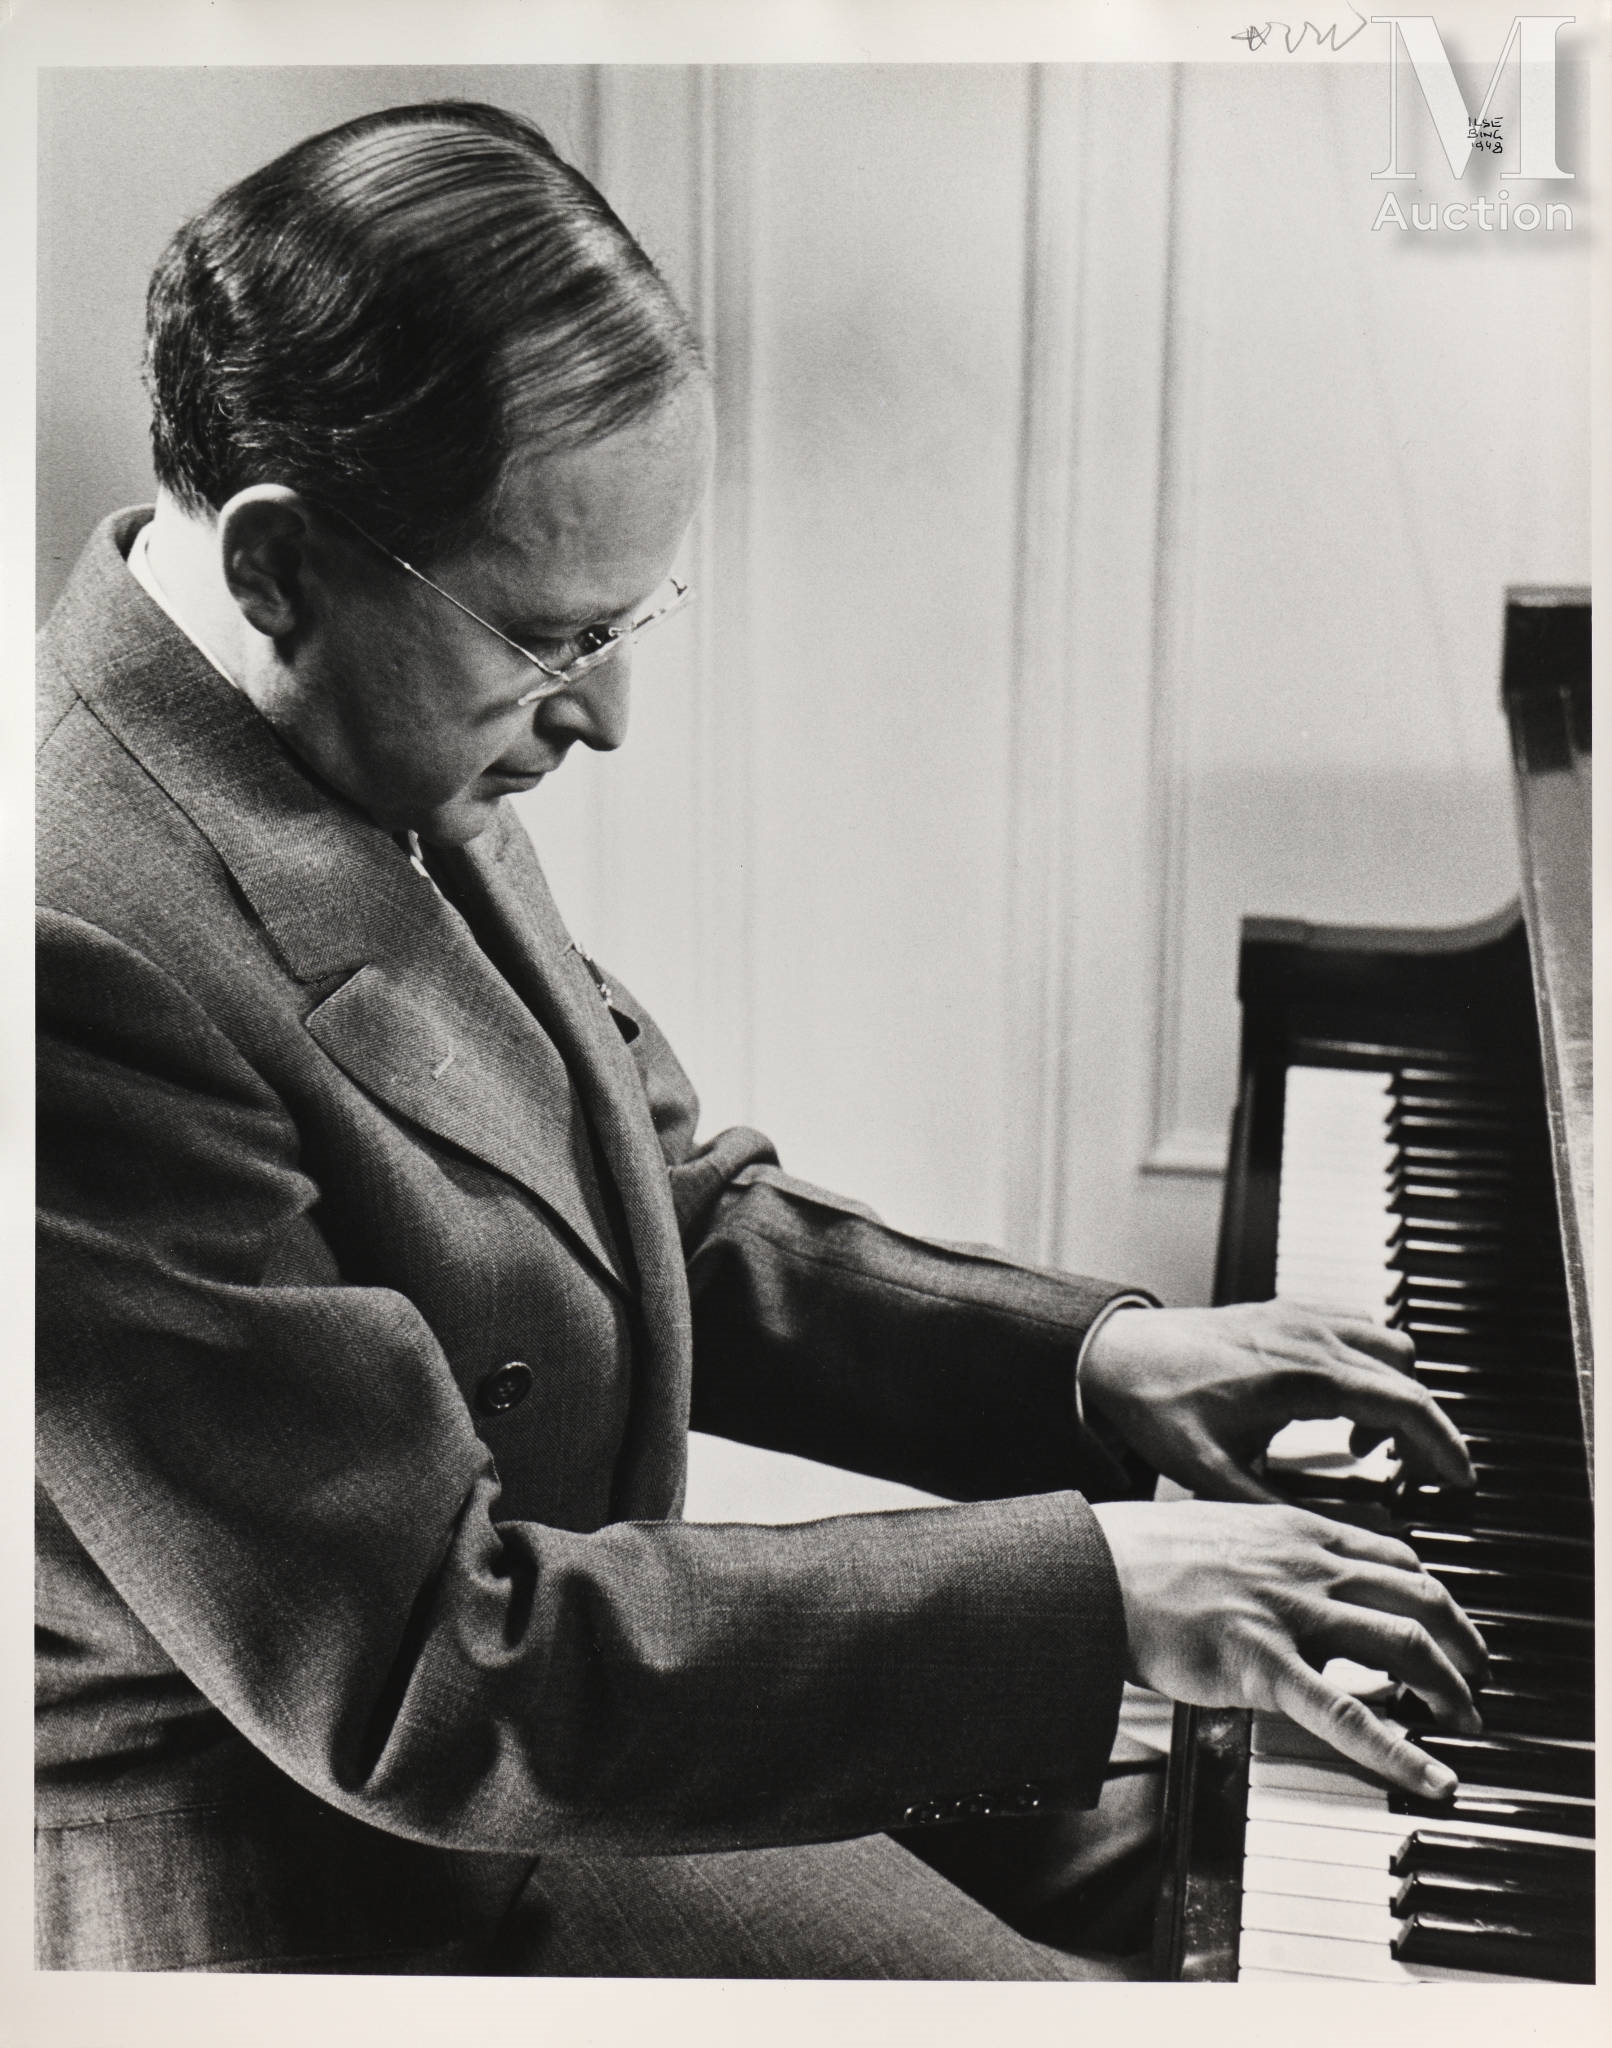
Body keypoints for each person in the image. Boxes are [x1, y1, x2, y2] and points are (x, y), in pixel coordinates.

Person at [35, 100, 1486, 1979]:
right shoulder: (76, 956)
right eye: (560, 640)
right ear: (277, 566)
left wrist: (1100, 1363)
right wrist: (1104, 1591)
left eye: (634, 617)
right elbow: (427, 1674)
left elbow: (666, 1210)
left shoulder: (345, 717)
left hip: (547, 1761)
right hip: (349, 1893)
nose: (613, 714)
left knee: (1175, 1843)